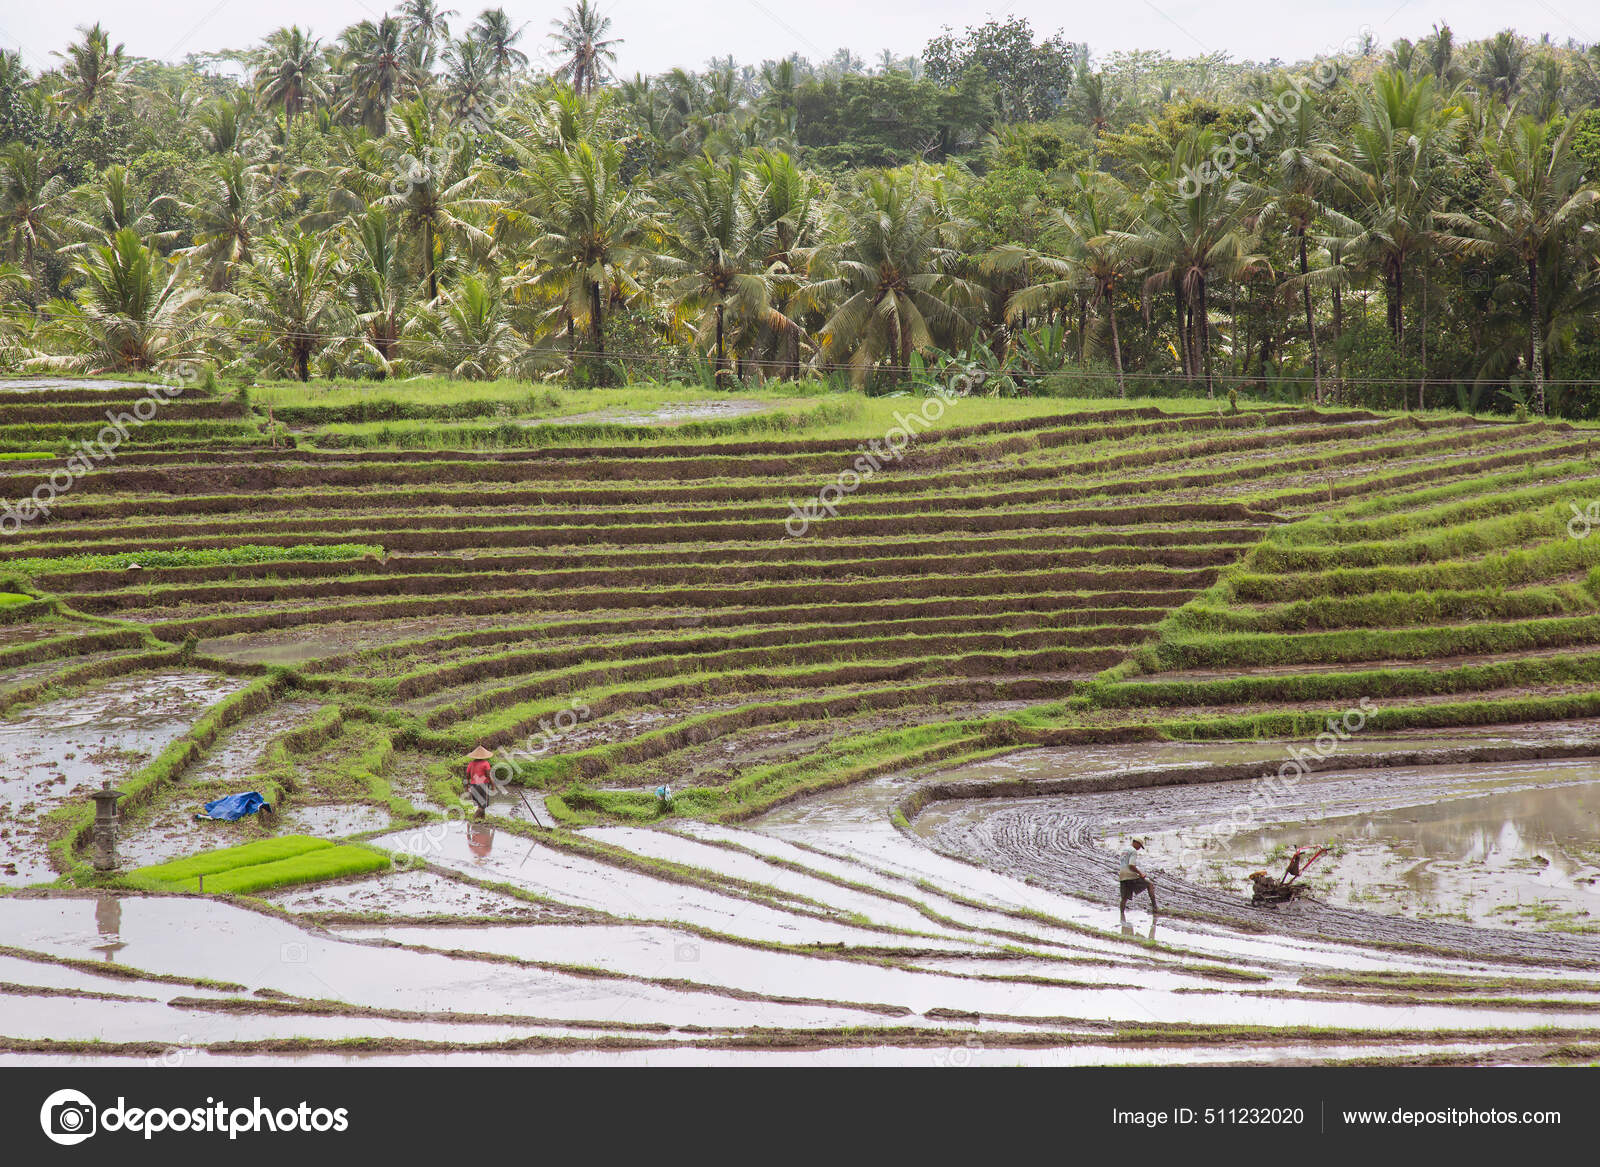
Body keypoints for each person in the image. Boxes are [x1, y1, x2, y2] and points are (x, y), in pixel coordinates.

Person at [1118, 838, 1157, 918]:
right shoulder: (1133, 851)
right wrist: (1140, 873)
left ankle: (1122, 915)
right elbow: (1131, 865)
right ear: (1136, 843)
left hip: (1122, 875)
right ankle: (1155, 907)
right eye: (1140, 846)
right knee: (1149, 884)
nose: (1139, 848)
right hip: (1130, 876)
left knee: (1124, 898)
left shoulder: (1124, 850)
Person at [465, 745, 494, 820]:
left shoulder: (471, 764)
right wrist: (493, 785)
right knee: (482, 806)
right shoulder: (485, 763)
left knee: (480, 804)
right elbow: (488, 776)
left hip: (473, 785)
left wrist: (467, 785)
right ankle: (473, 819)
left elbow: (467, 775)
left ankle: (482, 819)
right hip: (482, 785)